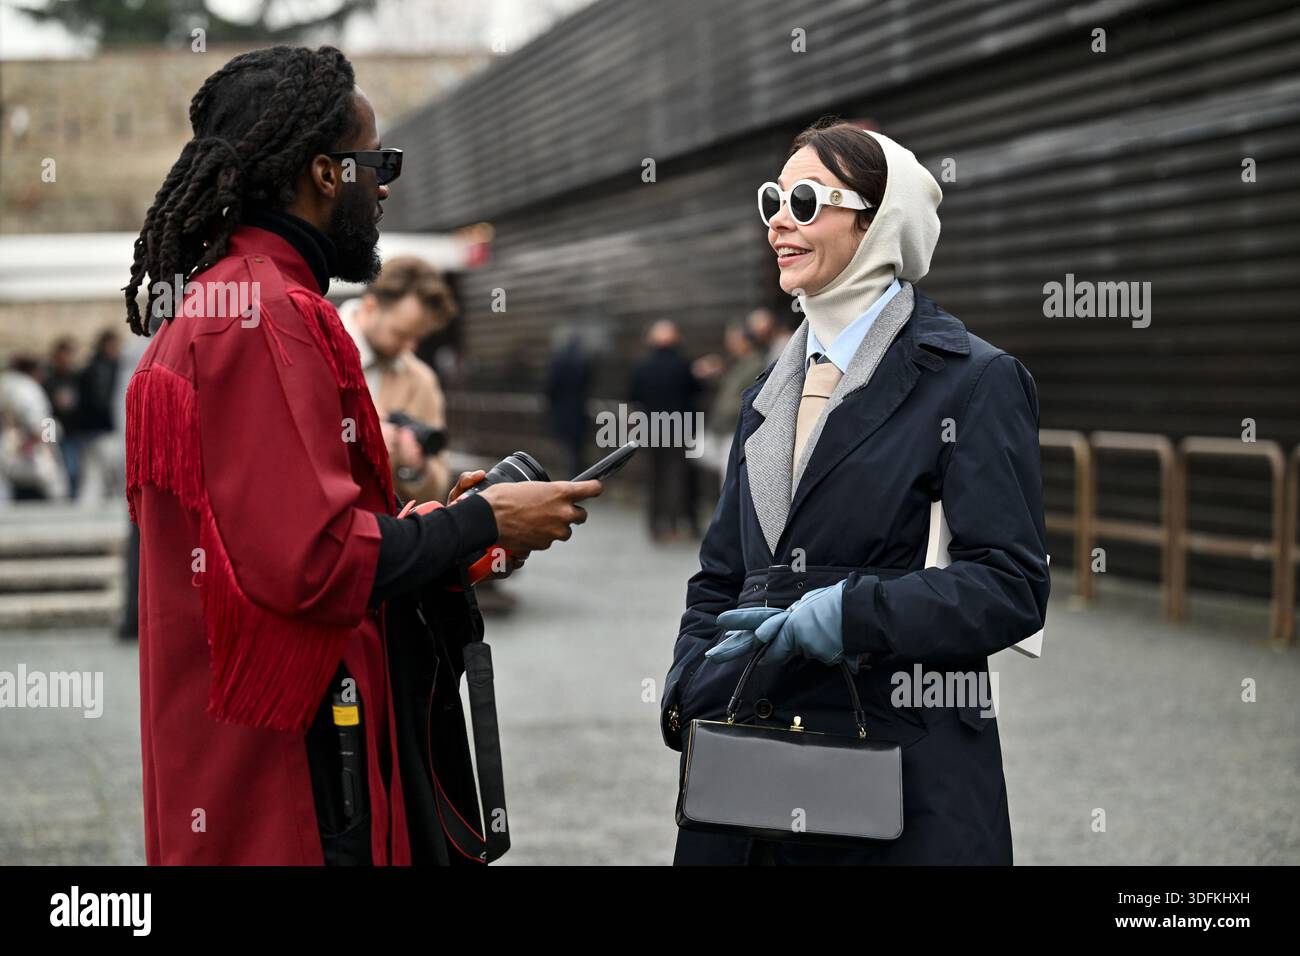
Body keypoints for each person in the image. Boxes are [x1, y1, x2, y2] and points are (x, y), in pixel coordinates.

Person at [122, 45, 601, 865]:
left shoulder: (223, 302)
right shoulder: (266, 316)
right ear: (323, 173)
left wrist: (452, 531)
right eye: (378, 162)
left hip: (237, 747)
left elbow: (276, 539)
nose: (385, 185)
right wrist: (482, 518)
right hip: (291, 771)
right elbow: (310, 564)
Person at [660, 118, 1049, 865]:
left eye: (806, 200)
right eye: (774, 196)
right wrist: (688, 685)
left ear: (879, 222)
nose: (778, 216)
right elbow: (718, 576)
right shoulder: (768, 391)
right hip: (747, 776)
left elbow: (1010, 586)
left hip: (898, 778)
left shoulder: (973, 380)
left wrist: (853, 613)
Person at [337, 255, 458, 502]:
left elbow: (437, 487)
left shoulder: (421, 380)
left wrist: (414, 468)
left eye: (417, 337)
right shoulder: (313, 347)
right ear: (370, 307)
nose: (409, 347)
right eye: (401, 334)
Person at [628, 319, 701, 541]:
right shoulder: (683, 363)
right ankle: (678, 524)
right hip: (680, 427)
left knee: (655, 477)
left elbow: (633, 396)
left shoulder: (643, 365)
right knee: (678, 476)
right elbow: (696, 390)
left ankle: (655, 525)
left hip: (651, 428)